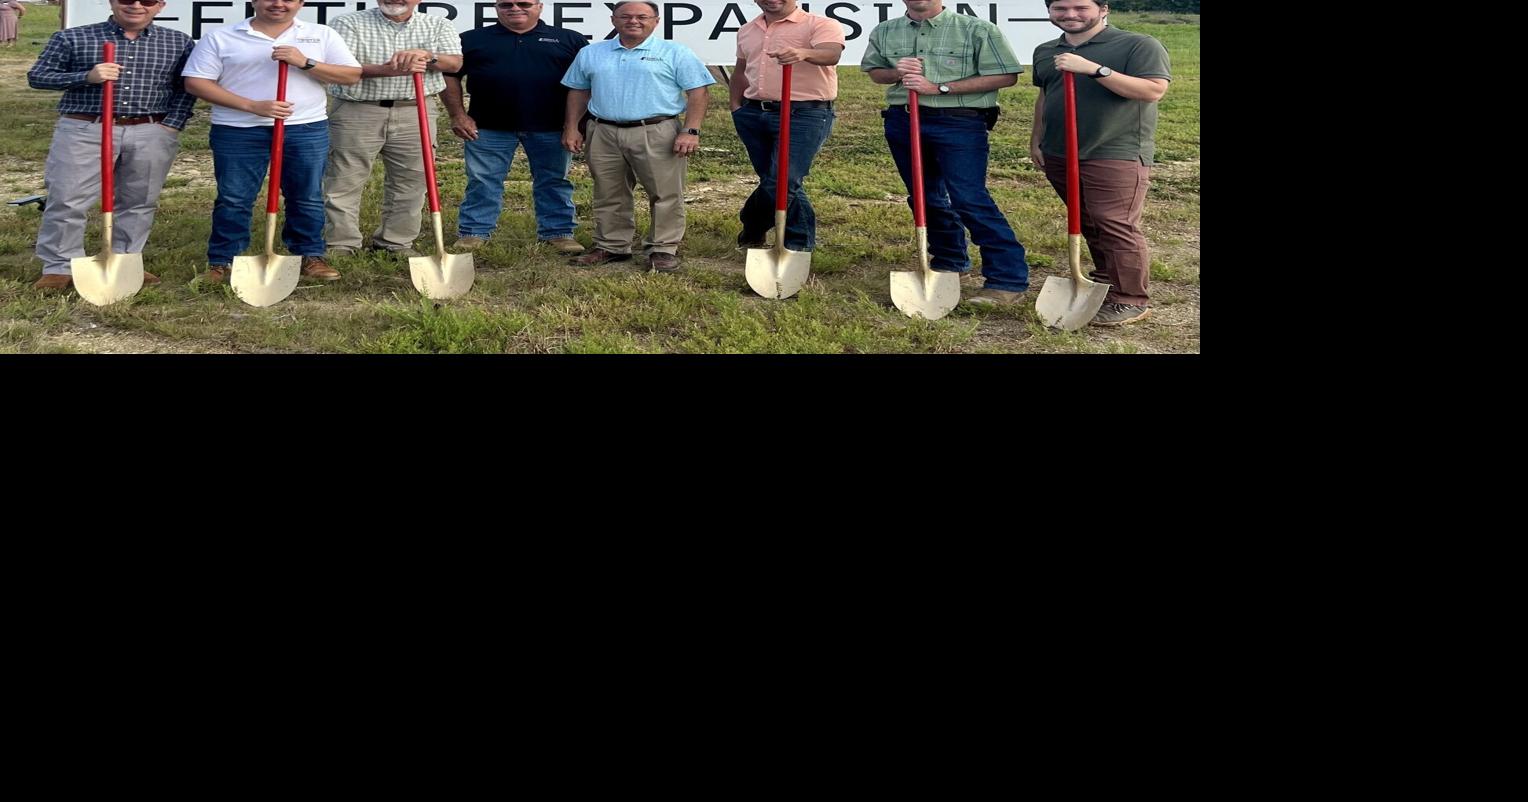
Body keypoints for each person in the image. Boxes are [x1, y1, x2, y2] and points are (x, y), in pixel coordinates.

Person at [861, 0, 1031, 306]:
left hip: (959, 122)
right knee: (924, 196)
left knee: (969, 197)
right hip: (903, 119)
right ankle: (950, 261)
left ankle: (1007, 278)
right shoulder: (886, 30)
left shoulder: (978, 29)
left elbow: (1006, 75)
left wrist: (939, 88)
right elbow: (875, 72)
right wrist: (895, 72)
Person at [182, 0, 361, 283]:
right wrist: (252, 106)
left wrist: (305, 62)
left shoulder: (321, 34)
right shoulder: (222, 37)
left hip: (304, 128)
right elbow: (196, 81)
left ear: (301, 3)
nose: (278, 4)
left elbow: (351, 76)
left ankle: (310, 255)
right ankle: (223, 261)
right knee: (234, 197)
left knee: (306, 195)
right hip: (238, 130)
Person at [26, 0, 194, 291]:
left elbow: (185, 87)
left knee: (139, 200)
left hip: (150, 128)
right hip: (86, 127)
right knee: (68, 197)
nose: (137, 6)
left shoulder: (177, 41)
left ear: (160, 6)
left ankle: (125, 259)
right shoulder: (72, 37)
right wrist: (87, 77)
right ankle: (60, 266)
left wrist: (172, 123)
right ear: (113, 2)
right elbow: (39, 76)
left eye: (148, 1)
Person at [1031, 0, 1169, 327]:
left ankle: (1131, 299)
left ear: (1103, 8)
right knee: (1089, 221)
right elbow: (1045, 96)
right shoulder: (1046, 50)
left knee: (1115, 223)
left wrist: (1095, 69)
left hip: (1115, 150)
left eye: (1081, 7)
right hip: (1059, 151)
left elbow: (1152, 90)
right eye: (1060, 9)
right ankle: (1107, 280)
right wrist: (1036, 139)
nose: (1070, 15)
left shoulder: (1138, 44)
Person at [560, 1, 714, 273]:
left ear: (656, 21)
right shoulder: (591, 53)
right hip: (603, 130)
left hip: (656, 130)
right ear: (613, 20)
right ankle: (611, 245)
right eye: (626, 16)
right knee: (609, 191)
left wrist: (690, 130)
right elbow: (578, 91)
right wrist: (572, 127)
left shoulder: (675, 52)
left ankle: (663, 249)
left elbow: (698, 93)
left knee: (665, 193)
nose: (634, 21)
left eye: (642, 16)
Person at [442, 0, 586, 254]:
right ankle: (474, 232)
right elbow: (450, 75)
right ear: (496, 8)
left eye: (524, 3)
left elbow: (583, 83)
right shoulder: (472, 39)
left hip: (551, 127)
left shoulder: (568, 39)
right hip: (487, 126)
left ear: (539, 6)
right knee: (482, 180)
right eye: (506, 4)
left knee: (553, 180)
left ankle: (559, 232)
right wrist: (458, 115)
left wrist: (574, 125)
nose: (514, 8)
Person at [323, 0, 462, 259]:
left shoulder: (438, 24)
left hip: (415, 108)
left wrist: (426, 57)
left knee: (413, 179)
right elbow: (340, 70)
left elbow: (453, 64)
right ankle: (341, 243)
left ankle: (395, 242)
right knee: (345, 177)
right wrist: (389, 69)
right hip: (358, 109)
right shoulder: (348, 23)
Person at [730, 0, 843, 253]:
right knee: (776, 180)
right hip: (754, 113)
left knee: (783, 180)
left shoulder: (821, 24)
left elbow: (831, 54)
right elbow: (741, 69)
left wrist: (804, 53)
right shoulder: (748, 29)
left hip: (804, 114)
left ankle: (756, 227)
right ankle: (793, 239)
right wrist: (736, 106)